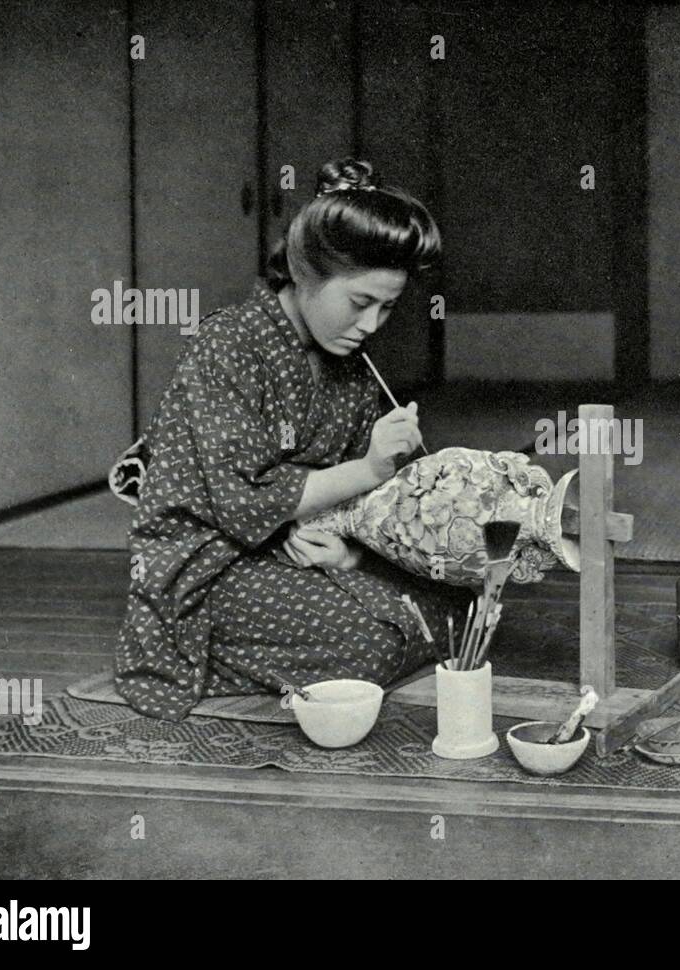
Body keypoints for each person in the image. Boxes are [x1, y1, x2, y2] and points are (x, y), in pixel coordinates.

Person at [115, 157, 468, 722]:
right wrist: (370, 469)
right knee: (371, 643)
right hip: (213, 563)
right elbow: (241, 500)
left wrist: (350, 551)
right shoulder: (228, 345)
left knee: (465, 595)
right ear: (305, 273)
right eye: (360, 303)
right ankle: (201, 646)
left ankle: (335, 617)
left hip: (302, 551)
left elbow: (359, 507)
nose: (373, 325)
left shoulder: (351, 365)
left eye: (388, 307)